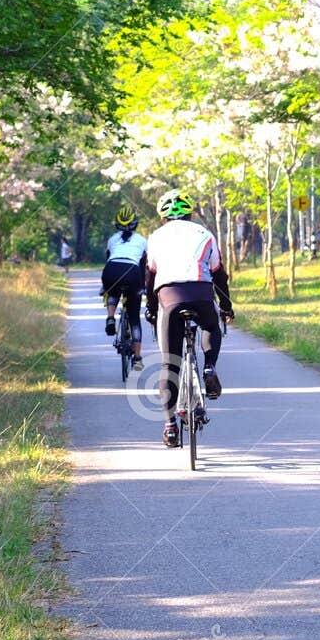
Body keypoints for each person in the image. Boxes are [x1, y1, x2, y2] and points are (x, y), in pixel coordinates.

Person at [144, 188, 233, 448]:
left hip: (169, 297)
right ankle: (209, 366)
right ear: (191, 214)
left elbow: (150, 278)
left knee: (169, 365)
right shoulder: (205, 234)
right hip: (202, 293)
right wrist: (226, 307)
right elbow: (219, 275)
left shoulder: (155, 238)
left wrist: (151, 308)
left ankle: (170, 427)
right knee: (211, 326)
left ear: (163, 218)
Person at [100, 205, 147, 370]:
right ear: (135, 223)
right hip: (132, 273)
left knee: (111, 290)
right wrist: (142, 287)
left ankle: (111, 317)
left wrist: (104, 286)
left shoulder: (112, 239)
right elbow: (143, 266)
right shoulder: (142, 240)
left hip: (111, 271)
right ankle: (137, 357)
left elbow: (108, 260)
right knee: (134, 319)